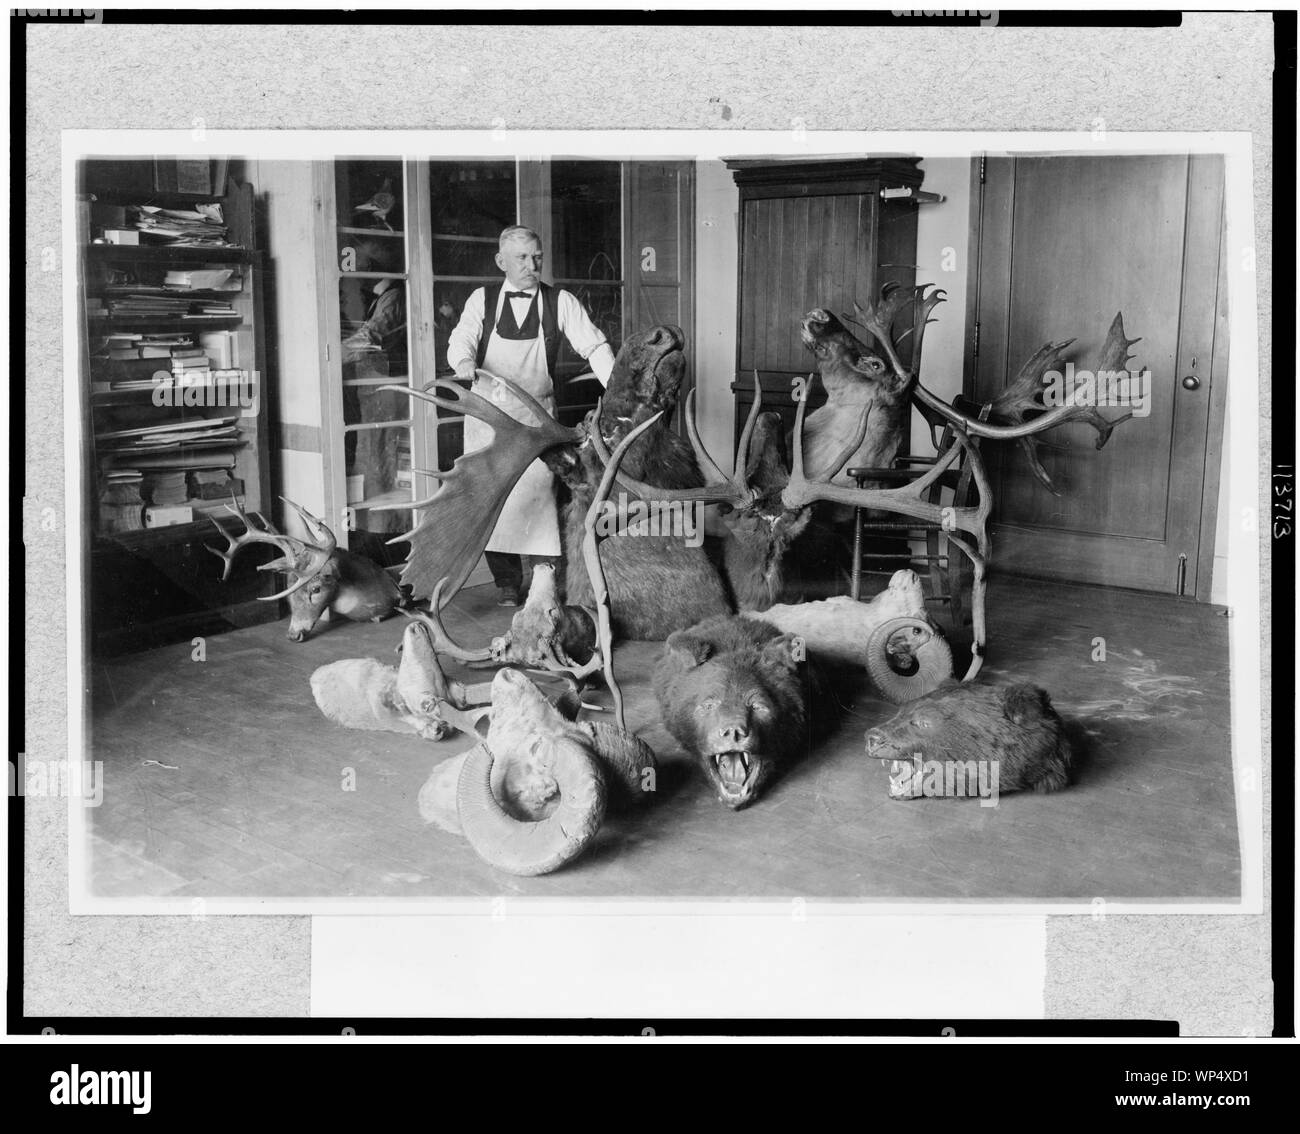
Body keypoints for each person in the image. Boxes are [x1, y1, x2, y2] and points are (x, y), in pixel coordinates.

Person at [447, 225, 616, 605]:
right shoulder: (482, 299)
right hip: (488, 416)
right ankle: (506, 583)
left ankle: (544, 580)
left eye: (537, 256)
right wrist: (462, 361)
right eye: (522, 258)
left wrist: (616, 387)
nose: (531, 265)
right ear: (501, 261)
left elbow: (596, 346)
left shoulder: (560, 302)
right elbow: (462, 338)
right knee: (492, 497)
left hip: (538, 417)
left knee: (540, 496)